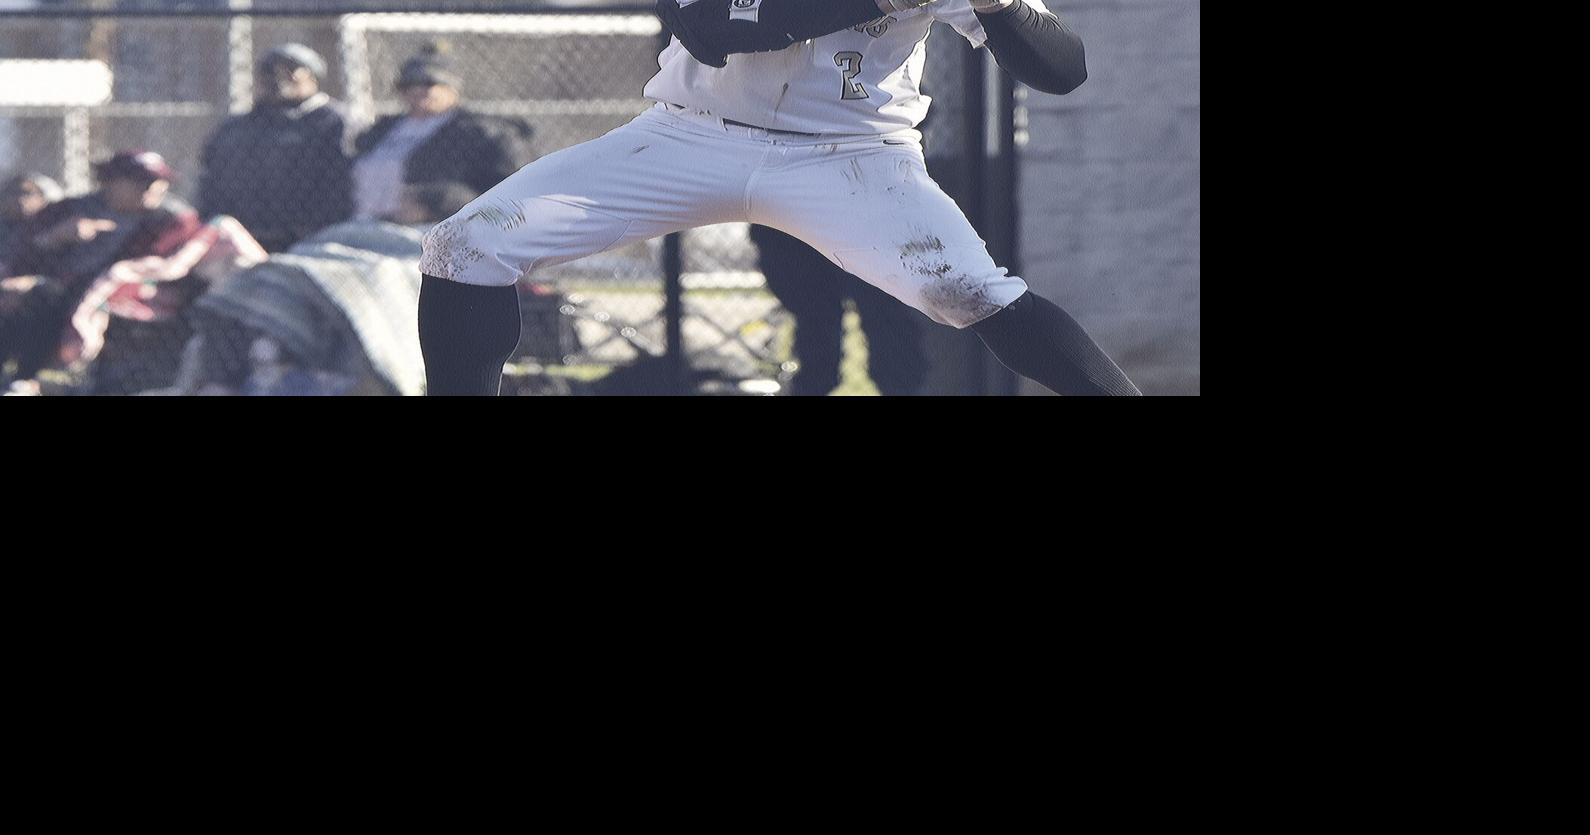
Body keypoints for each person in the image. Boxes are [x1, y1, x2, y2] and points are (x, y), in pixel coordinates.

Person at [417, 0, 1140, 396]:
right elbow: (711, 27)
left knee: (970, 291)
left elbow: (1063, 71)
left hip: (854, 154)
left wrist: (999, 5)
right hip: (688, 135)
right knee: (465, 245)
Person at [1, 151, 200, 387]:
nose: (153, 188)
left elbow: (147, 268)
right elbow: (20, 259)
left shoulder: (170, 221)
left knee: (41, 296)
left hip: (122, 296)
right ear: (109, 181)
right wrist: (55, 239)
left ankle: (28, 379)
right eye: (140, 181)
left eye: (159, 181)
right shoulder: (69, 210)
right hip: (57, 288)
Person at [198, 43, 354, 252]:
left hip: (315, 237)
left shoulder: (334, 122)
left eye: (290, 70)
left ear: (312, 76)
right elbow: (210, 178)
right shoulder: (238, 127)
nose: (277, 78)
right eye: (269, 71)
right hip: (244, 239)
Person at [353, 46, 535, 222]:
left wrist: (433, 202)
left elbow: (508, 192)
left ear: (452, 88)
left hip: (436, 225)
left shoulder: (478, 131)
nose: (418, 91)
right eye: (410, 84)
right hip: (364, 221)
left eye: (429, 84)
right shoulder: (384, 129)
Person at [752, 224, 928, 395]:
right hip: (798, 233)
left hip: (862, 229)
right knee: (817, 327)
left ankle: (902, 385)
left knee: (885, 323)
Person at [0, 173, 63, 274]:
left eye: (27, 193)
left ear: (43, 198)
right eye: (14, 193)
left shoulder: (57, 228)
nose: (20, 199)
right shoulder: (5, 225)